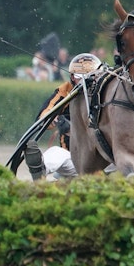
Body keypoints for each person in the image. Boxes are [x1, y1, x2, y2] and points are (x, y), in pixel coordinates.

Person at [25, 52, 104, 181]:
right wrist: (53, 119)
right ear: (72, 77)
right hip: (75, 162)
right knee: (55, 152)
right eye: (80, 76)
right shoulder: (66, 91)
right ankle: (39, 170)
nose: (85, 81)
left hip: (104, 161)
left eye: (90, 76)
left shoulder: (108, 94)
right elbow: (43, 116)